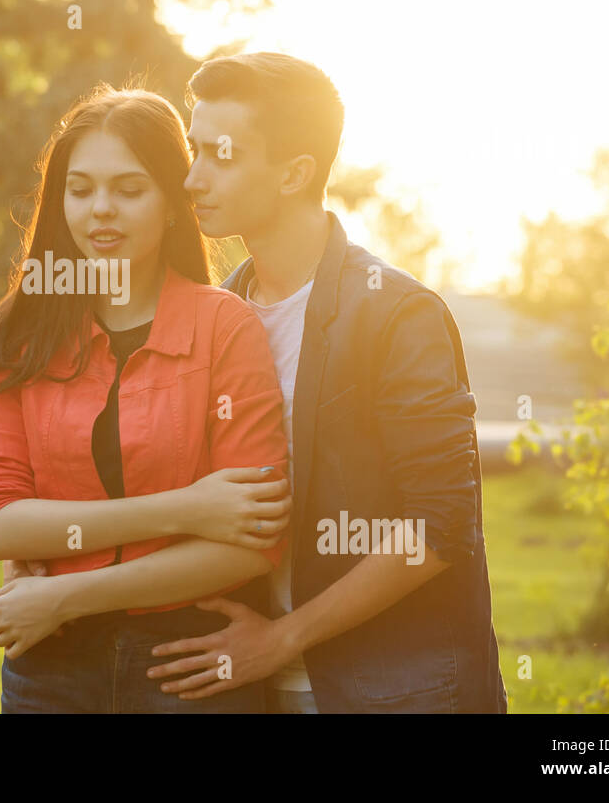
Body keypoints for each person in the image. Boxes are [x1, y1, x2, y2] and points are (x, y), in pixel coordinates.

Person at [140, 52, 508, 713]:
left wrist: (282, 641)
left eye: (222, 156)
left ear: (295, 173)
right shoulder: (208, 318)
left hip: (393, 691)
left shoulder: (396, 313)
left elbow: (441, 527)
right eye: (193, 152)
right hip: (242, 687)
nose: (192, 179)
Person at [0, 85, 292, 713]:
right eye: (80, 189)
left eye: (129, 190)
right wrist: (187, 508)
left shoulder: (226, 326)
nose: (101, 210)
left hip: (191, 664)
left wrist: (65, 594)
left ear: (172, 201)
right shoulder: (21, 332)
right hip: (50, 670)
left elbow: (251, 539)